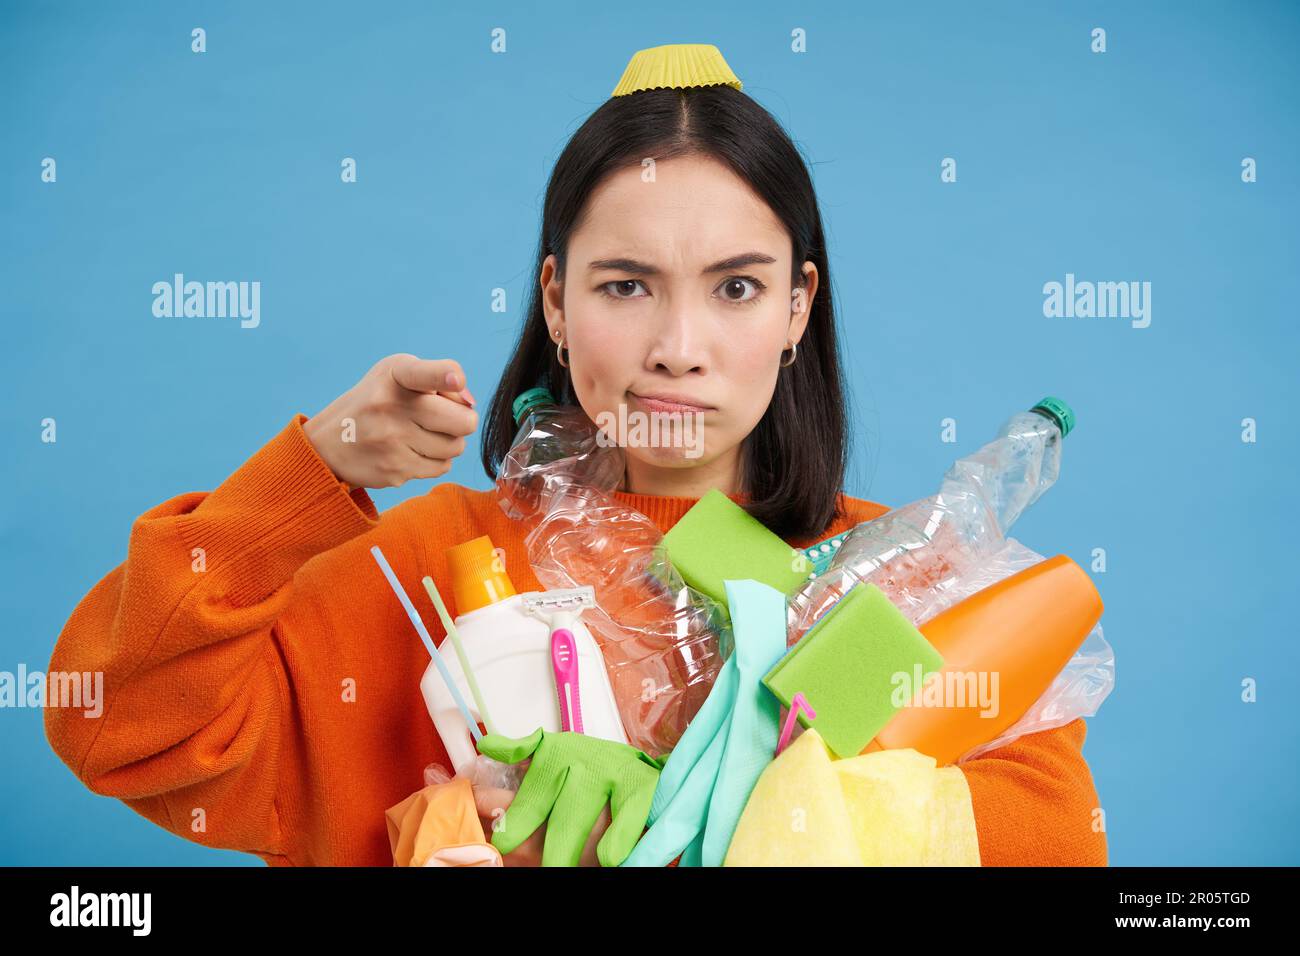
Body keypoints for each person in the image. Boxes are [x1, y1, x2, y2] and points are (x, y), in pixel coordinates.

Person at [44, 44, 1107, 867]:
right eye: (624, 284)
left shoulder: (904, 579)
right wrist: (312, 475)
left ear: (797, 308)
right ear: (556, 300)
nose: (676, 349)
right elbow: (119, 721)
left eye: (735, 287)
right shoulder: (418, 570)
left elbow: (1055, 838)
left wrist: (682, 805)